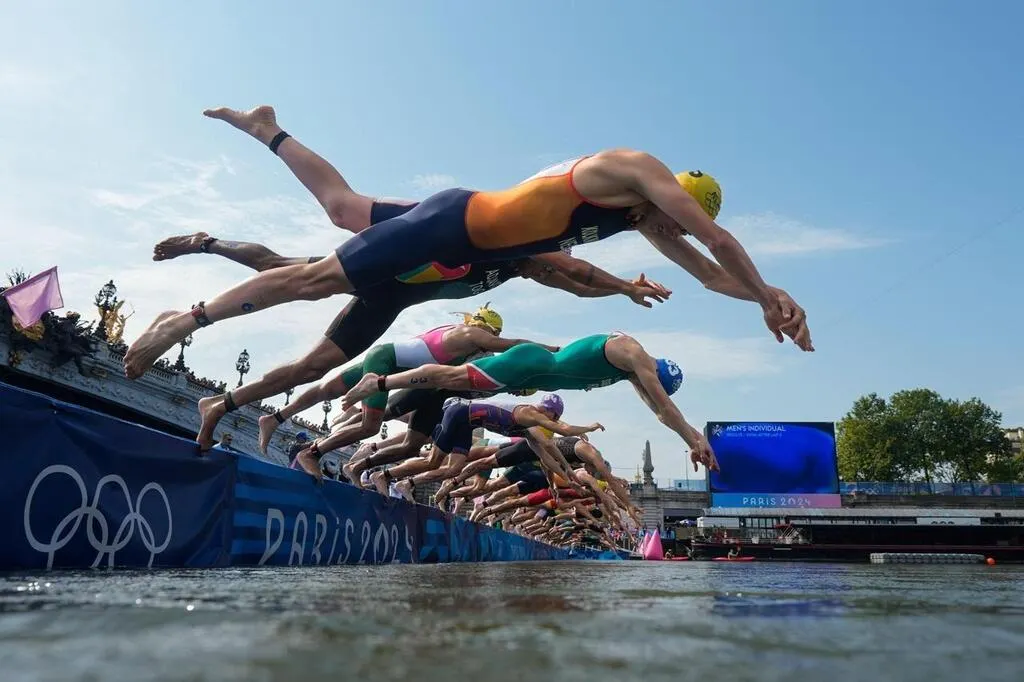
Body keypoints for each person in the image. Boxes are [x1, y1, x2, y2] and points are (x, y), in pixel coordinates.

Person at [124, 105, 813, 379]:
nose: (671, 235)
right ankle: (185, 320)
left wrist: (770, 298)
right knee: (316, 279)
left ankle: (267, 129)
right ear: (675, 199)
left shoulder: (638, 220)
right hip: (453, 222)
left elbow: (708, 274)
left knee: (340, 208)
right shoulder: (634, 170)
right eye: (674, 222)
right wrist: (760, 292)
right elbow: (718, 244)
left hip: (466, 236)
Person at [342, 332, 718, 471]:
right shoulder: (632, 351)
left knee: (451, 384)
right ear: (659, 373)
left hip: (529, 377)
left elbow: (661, 414)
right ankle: (381, 381)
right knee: (451, 376)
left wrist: (695, 442)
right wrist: (693, 438)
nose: (646, 389)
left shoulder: (632, 373)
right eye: (653, 385)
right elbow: (666, 408)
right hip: (529, 364)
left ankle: (385, 402)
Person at [236, 305, 552, 454]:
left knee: (326, 389)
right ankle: (313, 451)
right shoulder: (472, 335)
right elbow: (510, 347)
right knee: (371, 423)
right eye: (492, 334)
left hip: (387, 360)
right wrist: (549, 351)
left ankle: (275, 418)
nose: (492, 339)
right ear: (486, 328)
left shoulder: (465, 343)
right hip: (386, 363)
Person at [347, 394, 599, 499]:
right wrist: (587, 428)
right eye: (553, 418)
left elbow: (548, 456)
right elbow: (562, 433)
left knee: (450, 470)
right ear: (549, 412)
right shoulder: (530, 414)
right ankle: (378, 472)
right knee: (429, 457)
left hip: (465, 425)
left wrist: (566, 473)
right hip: (458, 412)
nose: (553, 422)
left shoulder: (530, 430)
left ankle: (400, 482)